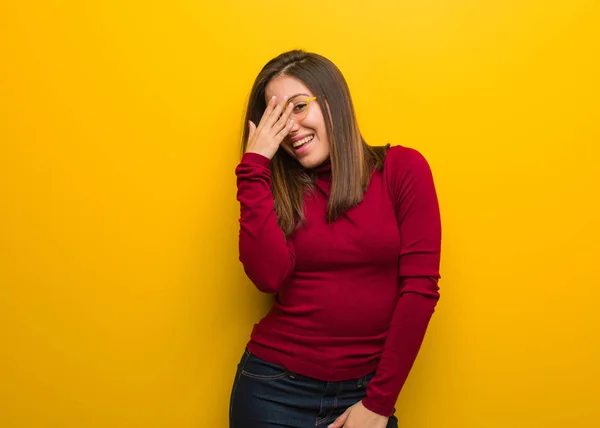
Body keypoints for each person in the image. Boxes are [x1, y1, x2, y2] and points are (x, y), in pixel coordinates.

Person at [230, 49, 441, 428]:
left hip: (365, 392)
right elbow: (267, 277)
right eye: (275, 117)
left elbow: (420, 290)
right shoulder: (278, 187)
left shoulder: (402, 170)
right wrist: (254, 167)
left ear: (334, 101)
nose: (290, 127)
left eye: (298, 107)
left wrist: (378, 403)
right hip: (273, 390)